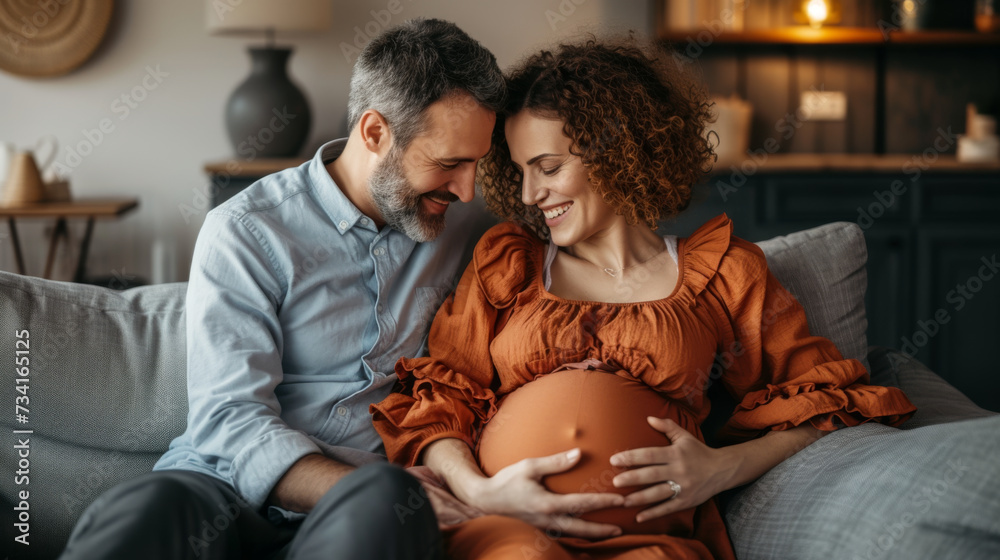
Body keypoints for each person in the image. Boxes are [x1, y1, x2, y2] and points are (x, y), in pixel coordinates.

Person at [370, 37, 917, 559]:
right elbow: (439, 399)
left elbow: (824, 397)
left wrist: (722, 466)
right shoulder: (509, 261)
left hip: (652, 539)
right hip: (511, 530)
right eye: (520, 172)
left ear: (617, 152)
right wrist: (479, 490)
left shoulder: (723, 271)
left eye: (549, 167)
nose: (531, 195)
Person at [59, 19, 504, 560]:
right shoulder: (248, 230)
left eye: (476, 163)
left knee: (389, 498)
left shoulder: (469, 228)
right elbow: (230, 421)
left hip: (363, 513)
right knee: (155, 508)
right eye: (449, 163)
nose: (467, 188)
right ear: (374, 133)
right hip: (221, 490)